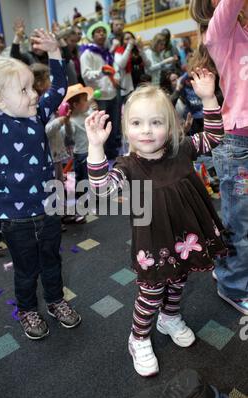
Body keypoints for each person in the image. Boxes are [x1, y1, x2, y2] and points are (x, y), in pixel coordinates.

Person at [0, 11, 81, 339]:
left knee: (52, 262)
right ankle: (27, 309)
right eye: (23, 89)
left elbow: (59, 87)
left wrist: (54, 53)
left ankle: (55, 300)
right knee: (26, 269)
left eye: (32, 86)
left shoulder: (37, 117)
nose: (34, 93)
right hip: (15, 217)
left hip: (47, 209)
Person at [85, 68, 226, 376]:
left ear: (171, 126)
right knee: (150, 293)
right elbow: (100, 188)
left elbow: (215, 135)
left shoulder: (182, 149)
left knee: (179, 279)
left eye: (156, 122)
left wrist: (208, 98)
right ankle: (138, 337)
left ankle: (170, 317)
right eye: (136, 123)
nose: (146, 131)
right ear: (125, 128)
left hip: (186, 236)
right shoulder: (128, 165)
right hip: (152, 242)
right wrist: (95, 147)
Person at [189, 0, 248, 315]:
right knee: (239, 219)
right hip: (238, 146)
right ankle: (232, 286)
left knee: (243, 216)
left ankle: (229, 269)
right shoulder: (220, 32)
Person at [80, 21, 120, 160]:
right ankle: (101, 156)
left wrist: (116, 78)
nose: (102, 34)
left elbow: (114, 70)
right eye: (98, 31)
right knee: (101, 128)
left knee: (113, 126)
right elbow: (86, 75)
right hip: (99, 96)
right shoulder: (87, 53)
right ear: (92, 35)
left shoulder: (107, 53)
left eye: (103, 31)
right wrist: (101, 72)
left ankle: (112, 154)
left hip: (113, 93)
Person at [114, 31, 151, 100]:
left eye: (131, 38)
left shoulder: (138, 49)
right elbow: (122, 64)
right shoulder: (119, 51)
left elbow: (148, 64)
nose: (130, 40)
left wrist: (141, 49)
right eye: (127, 39)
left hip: (142, 82)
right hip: (129, 86)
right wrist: (129, 47)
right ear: (122, 41)